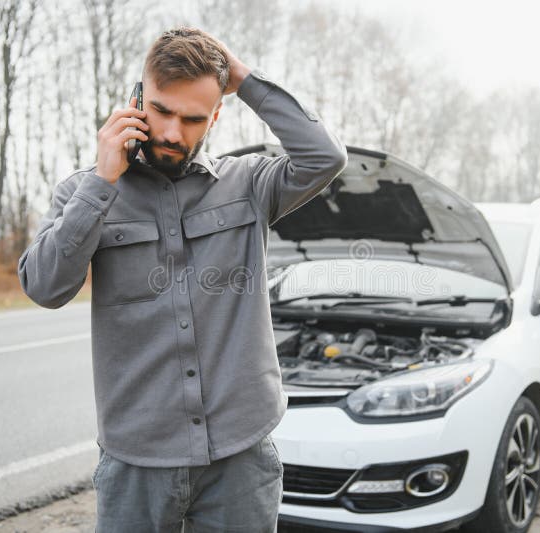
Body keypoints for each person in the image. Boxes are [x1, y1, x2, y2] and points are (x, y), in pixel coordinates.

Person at [18, 27, 347, 532]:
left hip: (242, 459)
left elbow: (324, 158)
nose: (173, 132)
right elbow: (44, 287)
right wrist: (100, 184)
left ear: (216, 116)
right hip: (136, 462)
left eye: (193, 118)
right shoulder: (83, 192)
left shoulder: (250, 184)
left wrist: (244, 79)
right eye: (161, 111)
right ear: (135, 100)